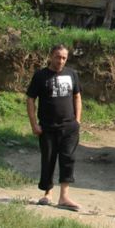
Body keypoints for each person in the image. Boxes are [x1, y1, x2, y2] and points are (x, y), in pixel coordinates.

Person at [26, 44, 82, 212]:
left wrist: (77, 121)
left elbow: (77, 96)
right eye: (58, 57)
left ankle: (64, 196)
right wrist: (34, 124)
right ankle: (48, 193)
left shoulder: (72, 74)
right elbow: (30, 99)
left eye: (64, 58)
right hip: (47, 127)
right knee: (48, 159)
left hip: (69, 127)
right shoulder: (40, 75)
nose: (61, 61)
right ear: (51, 56)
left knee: (68, 159)